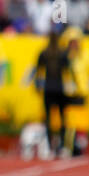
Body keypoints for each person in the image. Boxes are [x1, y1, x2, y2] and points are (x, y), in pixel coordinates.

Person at [34, 26, 77, 156]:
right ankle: (63, 146)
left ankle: (49, 147)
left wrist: (37, 87)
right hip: (60, 89)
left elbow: (38, 72)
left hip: (48, 89)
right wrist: (72, 85)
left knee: (48, 119)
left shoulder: (44, 52)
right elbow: (69, 71)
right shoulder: (63, 53)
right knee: (62, 118)